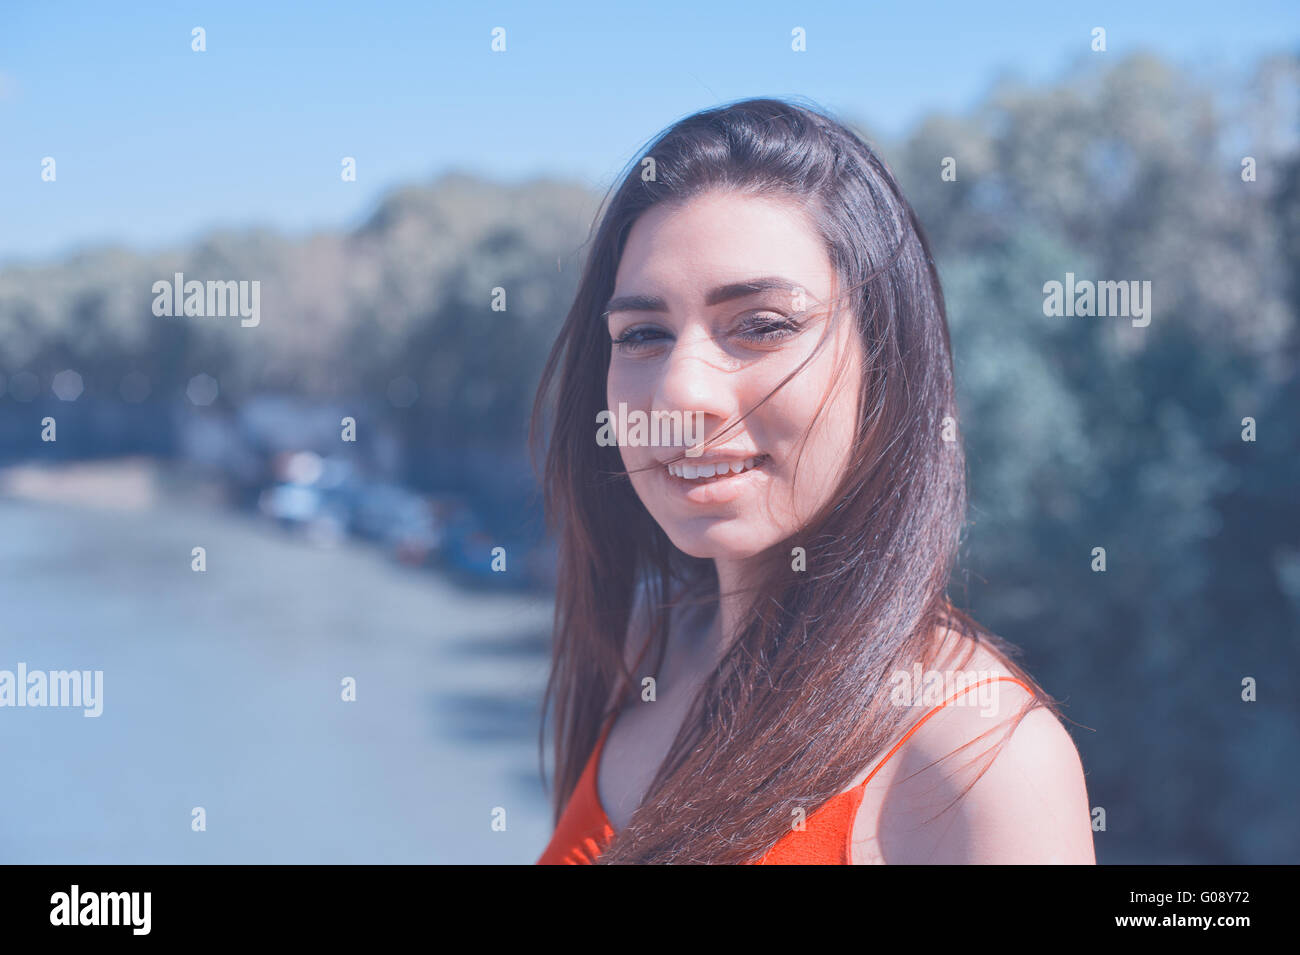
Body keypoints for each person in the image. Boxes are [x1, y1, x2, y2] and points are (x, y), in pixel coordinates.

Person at [530, 97, 1095, 864]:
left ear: (887, 366)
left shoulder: (981, 760)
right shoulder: (648, 649)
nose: (679, 393)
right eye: (643, 334)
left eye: (762, 324)